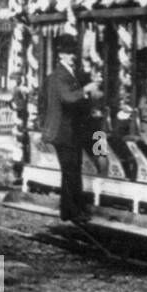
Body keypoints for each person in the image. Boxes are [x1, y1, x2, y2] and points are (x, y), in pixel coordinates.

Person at [41, 33, 102, 223]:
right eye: (68, 53)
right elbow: (68, 98)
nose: (72, 56)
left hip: (70, 130)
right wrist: (87, 89)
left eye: (72, 52)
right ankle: (73, 211)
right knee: (70, 170)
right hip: (63, 131)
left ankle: (70, 210)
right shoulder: (59, 76)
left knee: (73, 169)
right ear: (61, 55)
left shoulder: (69, 74)